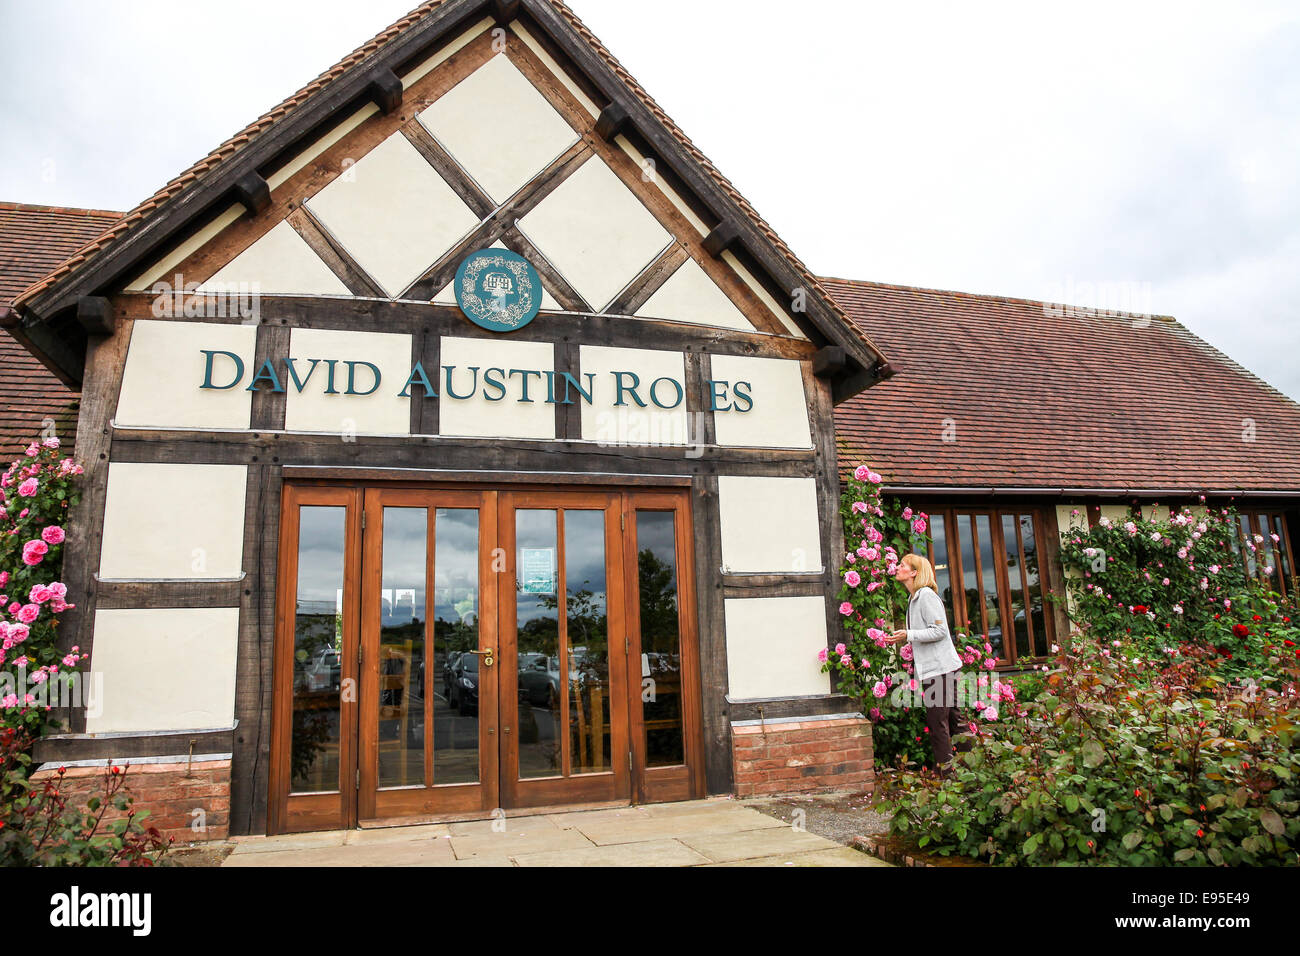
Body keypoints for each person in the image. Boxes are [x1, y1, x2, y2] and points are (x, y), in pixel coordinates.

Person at [883, 553, 969, 777]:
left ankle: (947, 775)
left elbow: (940, 630)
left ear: (914, 572)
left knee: (938, 722)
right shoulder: (914, 599)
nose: (897, 567)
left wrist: (908, 634)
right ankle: (972, 769)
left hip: (941, 669)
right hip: (938, 669)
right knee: (955, 721)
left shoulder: (926, 596)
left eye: (902, 565)